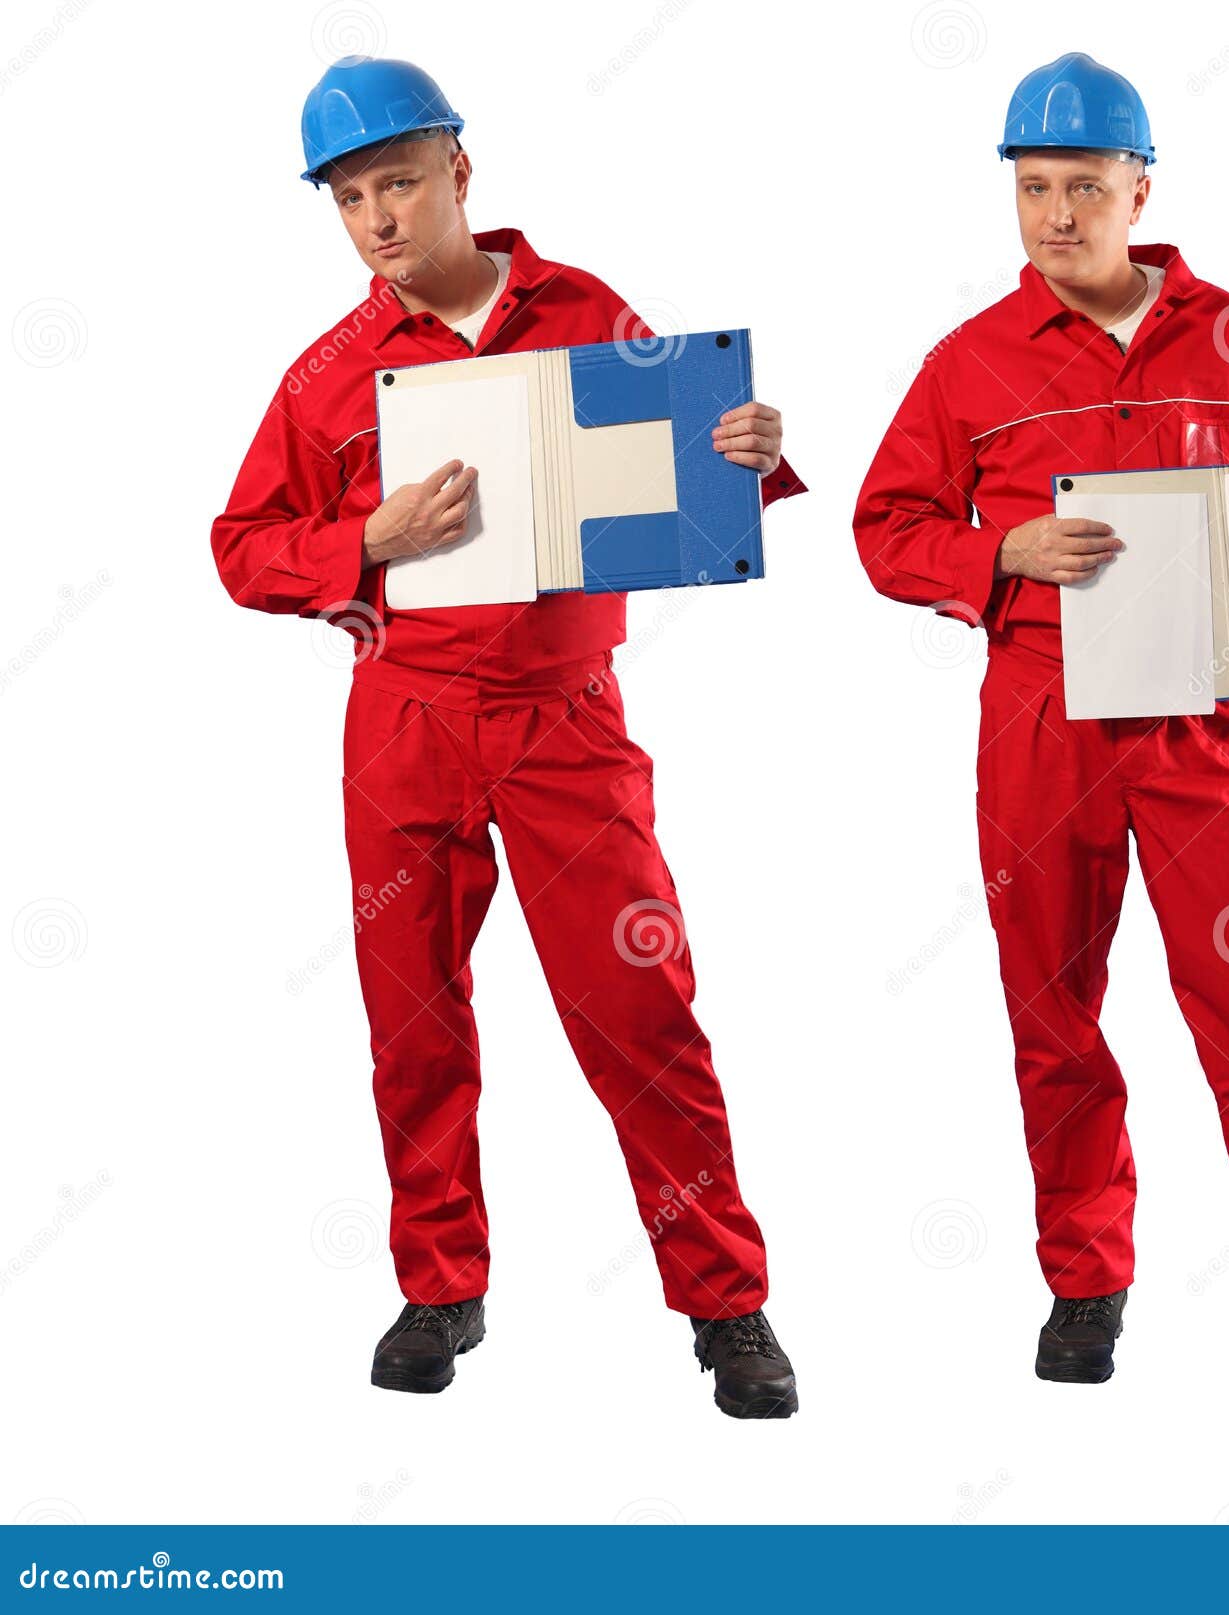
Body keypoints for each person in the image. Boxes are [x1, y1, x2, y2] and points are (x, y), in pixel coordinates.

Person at [211, 55, 801, 1418]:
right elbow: (241, 548)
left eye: (399, 182)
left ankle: (726, 1302)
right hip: (403, 719)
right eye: (349, 198)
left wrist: (753, 456)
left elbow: (688, 489)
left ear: (459, 170)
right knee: (412, 1018)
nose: (378, 219)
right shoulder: (329, 375)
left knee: (640, 1007)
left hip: (564, 720)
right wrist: (364, 539)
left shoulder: (588, 315)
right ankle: (440, 1286)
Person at [853, 52, 1229, 1413]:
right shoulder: (967, 362)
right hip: (1040, 722)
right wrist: (1002, 550)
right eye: (1033, 188)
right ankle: (1085, 1283)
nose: (1056, 215)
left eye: (1084, 187)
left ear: (1141, 191)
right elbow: (885, 529)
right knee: (1054, 1013)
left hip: (1198, 730)